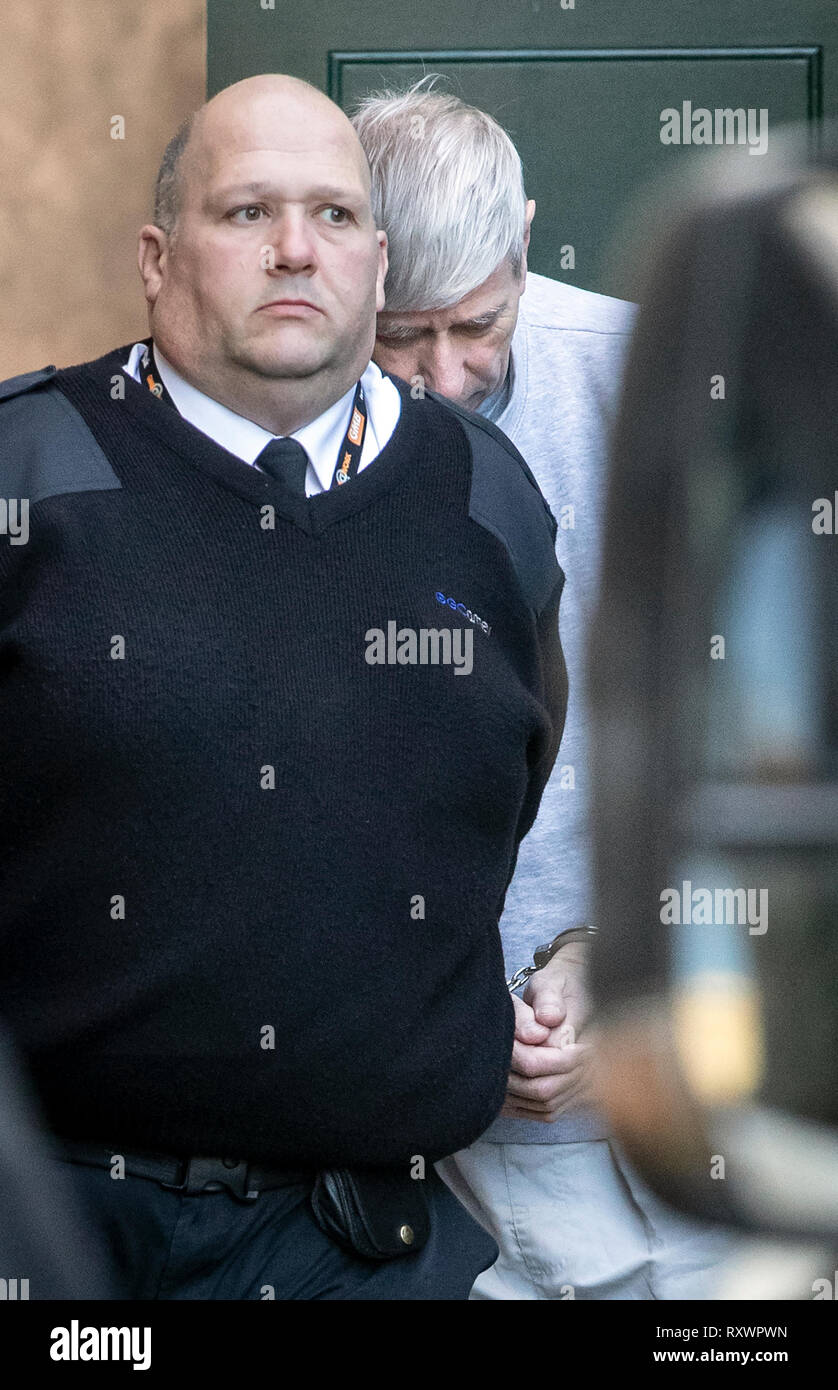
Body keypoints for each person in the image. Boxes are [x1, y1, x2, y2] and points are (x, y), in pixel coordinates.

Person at [0, 74, 567, 1300]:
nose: (298, 249)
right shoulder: (26, 474)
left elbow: (505, 790)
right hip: (55, 1238)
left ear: (375, 258)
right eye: (248, 213)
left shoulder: (488, 499)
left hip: (366, 1250)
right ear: (158, 258)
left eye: (336, 216)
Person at [354, 77, 732, 1299]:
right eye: (399, 333)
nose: (440, 379)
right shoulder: (295, 409)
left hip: (670, 1134)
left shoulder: (652, 382)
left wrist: (614, 953)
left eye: (475, 325)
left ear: (522, 238)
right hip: (414, 1162)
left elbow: (753, 736)